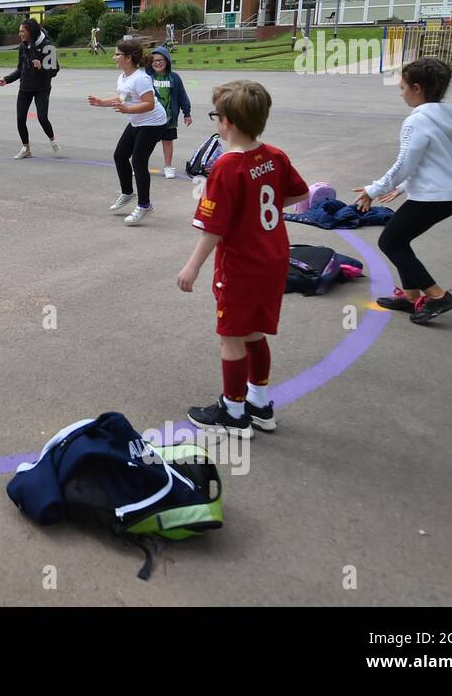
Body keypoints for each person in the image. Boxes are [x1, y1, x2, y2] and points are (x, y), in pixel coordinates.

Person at [176, 81, 310, 437]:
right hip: (274, 257)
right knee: (253, 332)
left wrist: (192, 266)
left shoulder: (226, 167)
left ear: (227, 122)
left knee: (231, 337)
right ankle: (260, 403)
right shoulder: (274, 155)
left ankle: (233, 412)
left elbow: (213, 228)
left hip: (241, 264)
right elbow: (301, 194)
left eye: (216, 116)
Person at [354, 57, 452, 324]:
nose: (400, 93)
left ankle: (437, 296)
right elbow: (433, 159)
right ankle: (410, 296)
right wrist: (403, 187)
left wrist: (374, 189)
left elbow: (404, 163)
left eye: (402, 87)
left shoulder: (417, 121)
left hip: (435, 197)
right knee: (399, 239)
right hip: (448, 194)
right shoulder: (445, 117)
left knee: (390, 241)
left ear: (417, 88)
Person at [87, 40, 166, 224]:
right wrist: (102, 102)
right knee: (120, 156)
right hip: (137, 121)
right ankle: (128, 193)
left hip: (153, 123)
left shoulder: (141, 78)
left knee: (138, 161)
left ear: (128, 58)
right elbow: (125, 97)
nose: (114, 57)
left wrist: (127, 110)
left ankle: (145, 205)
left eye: (117, 54)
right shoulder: (123, 77)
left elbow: (149, 103)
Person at [0, 18, 59, 159]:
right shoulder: (23, 46)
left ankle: (52, 139)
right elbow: (20, 69)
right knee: (20, 119)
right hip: (25, 87)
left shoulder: (47, 46)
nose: (20, 34)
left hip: (42, 87)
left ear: (30, 31)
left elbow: (55, 70)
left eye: (22, 31)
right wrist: (7, 79)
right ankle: (26, 148)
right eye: (19, 31)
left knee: (42, 118)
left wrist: (42, 66)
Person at [148, 46, 193, 178]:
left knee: (167, 142)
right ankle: (140, 164)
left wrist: (187, 113)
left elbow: (182, 96)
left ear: (167, 61)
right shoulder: (147, 77)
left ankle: (168, 166)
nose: (157, 62)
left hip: (169, 118)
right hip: (151, 118)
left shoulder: (174, 78)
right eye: (154, 60)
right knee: (146, 142)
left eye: (160, 60)